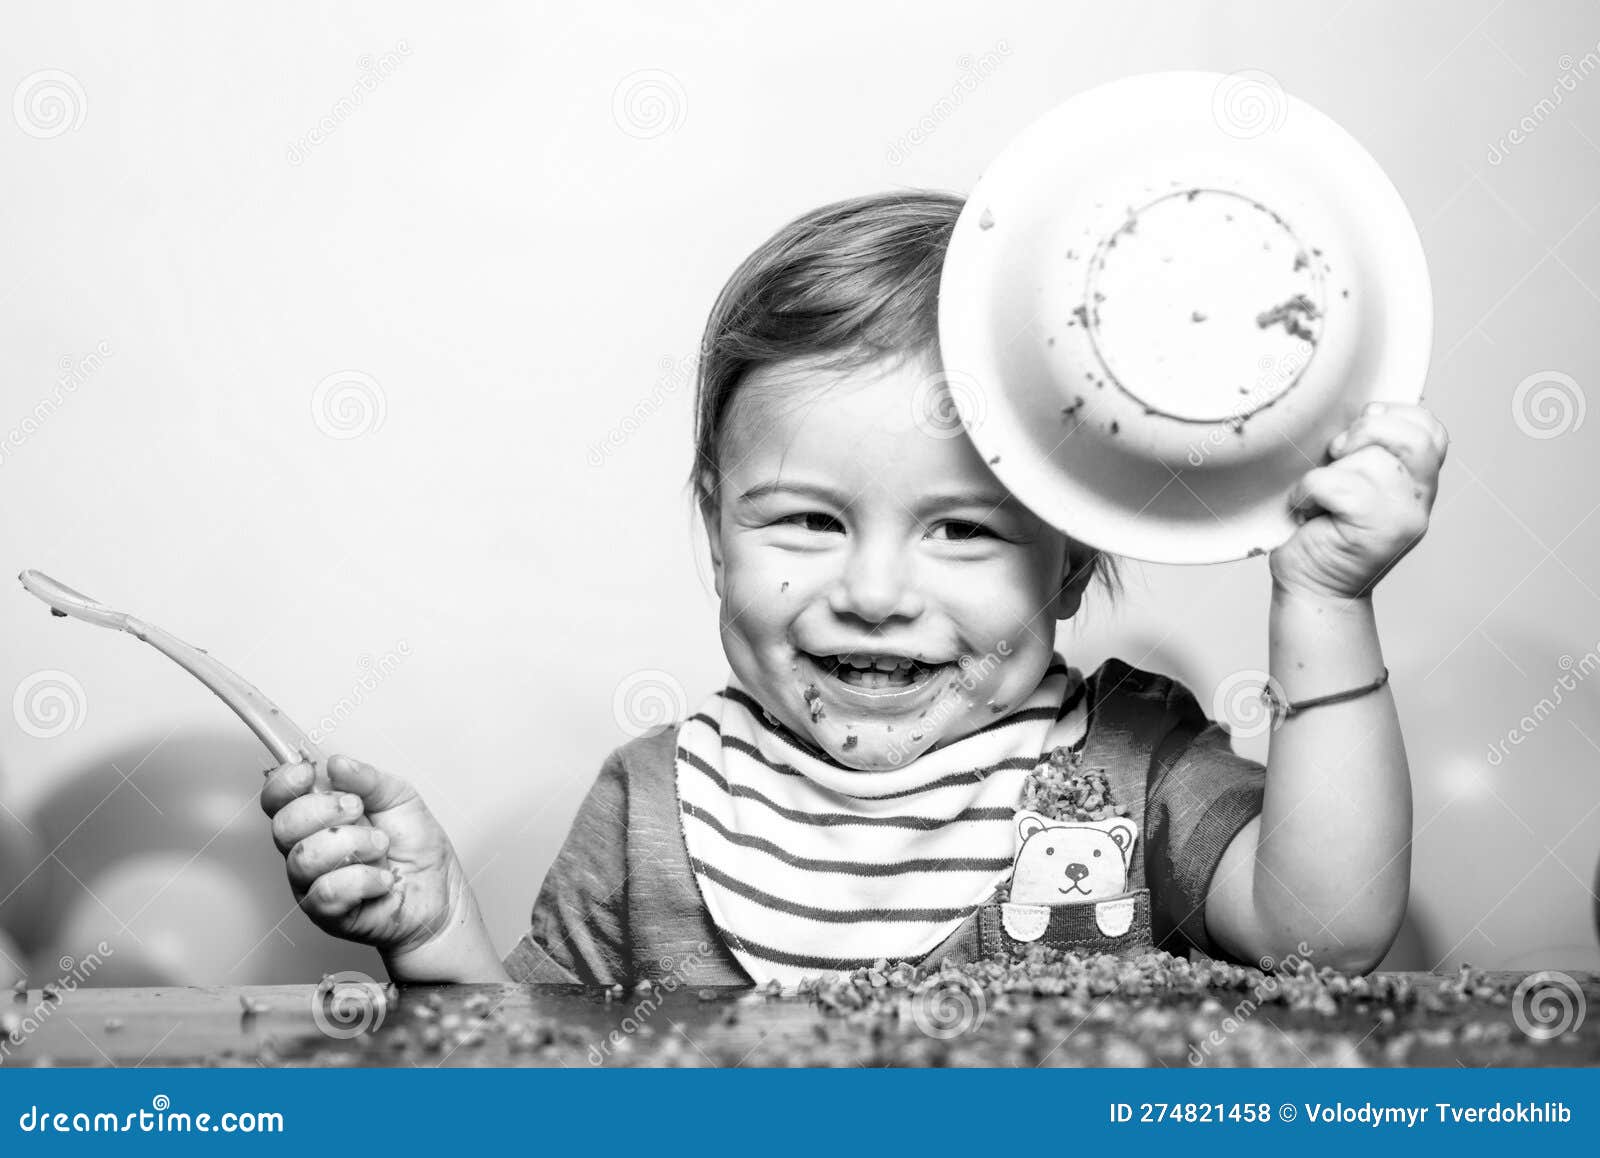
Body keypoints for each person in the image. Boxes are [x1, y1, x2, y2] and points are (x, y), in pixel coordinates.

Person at [259, 192, 1448, 986]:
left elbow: (1323, 936)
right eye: (809, 521)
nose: (875, 591)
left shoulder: (1135, 771)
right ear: (716, 531)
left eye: (961, 531)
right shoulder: (651, 810)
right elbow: (526, 1100)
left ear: (1073, 559)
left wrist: (1323, 600)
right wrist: (438, 943)